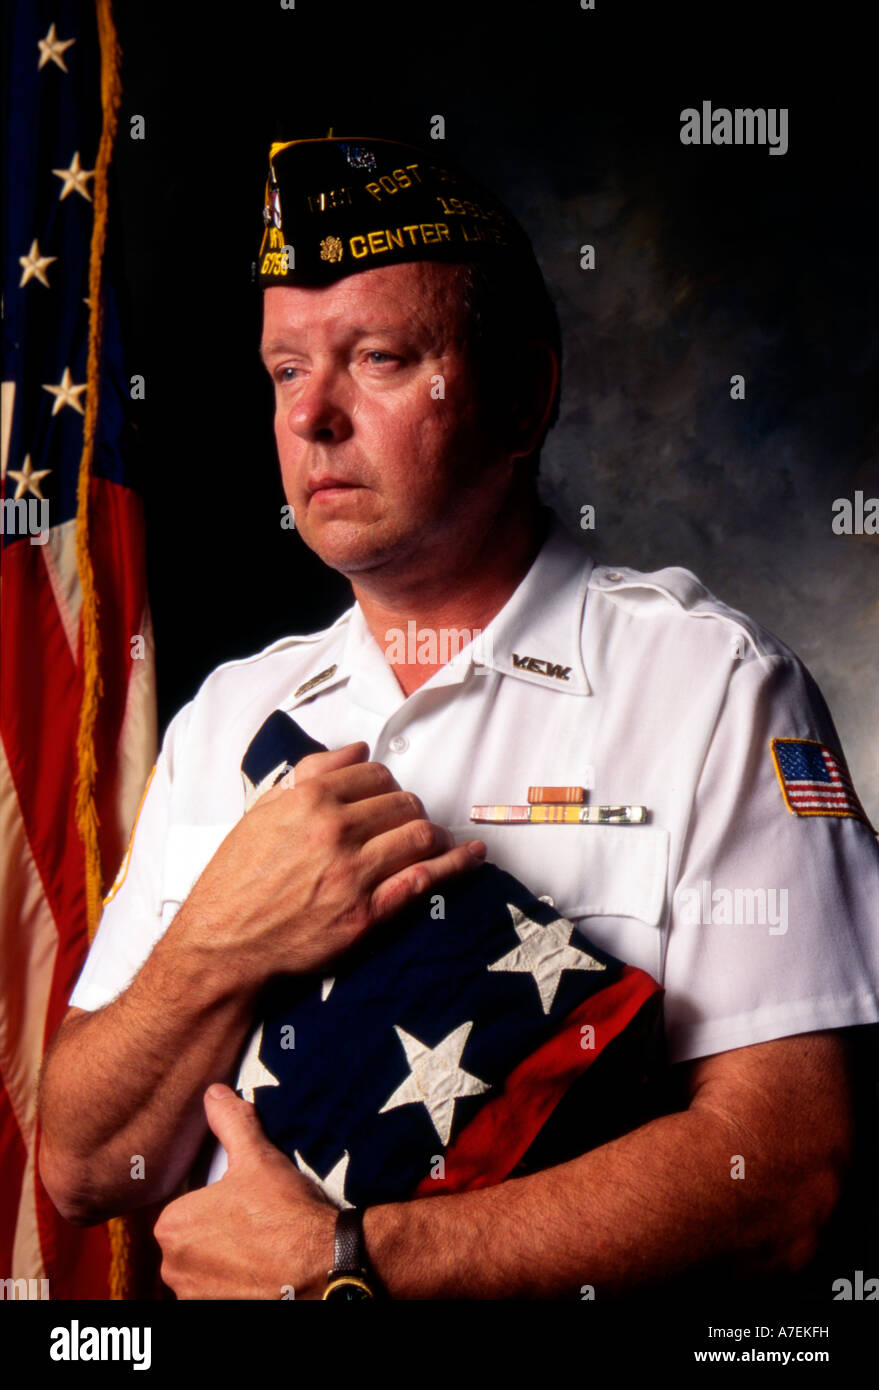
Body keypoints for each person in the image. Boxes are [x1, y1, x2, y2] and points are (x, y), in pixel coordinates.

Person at [38, 135, 879, 1300]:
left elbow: (789, 1177)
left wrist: (348, 1264)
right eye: (286, 370)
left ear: (525, 396)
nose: (314, 418)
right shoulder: (229, 716)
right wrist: (218, 941)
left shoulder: (713, 691)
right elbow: (83, 1163)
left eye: (379, 358)